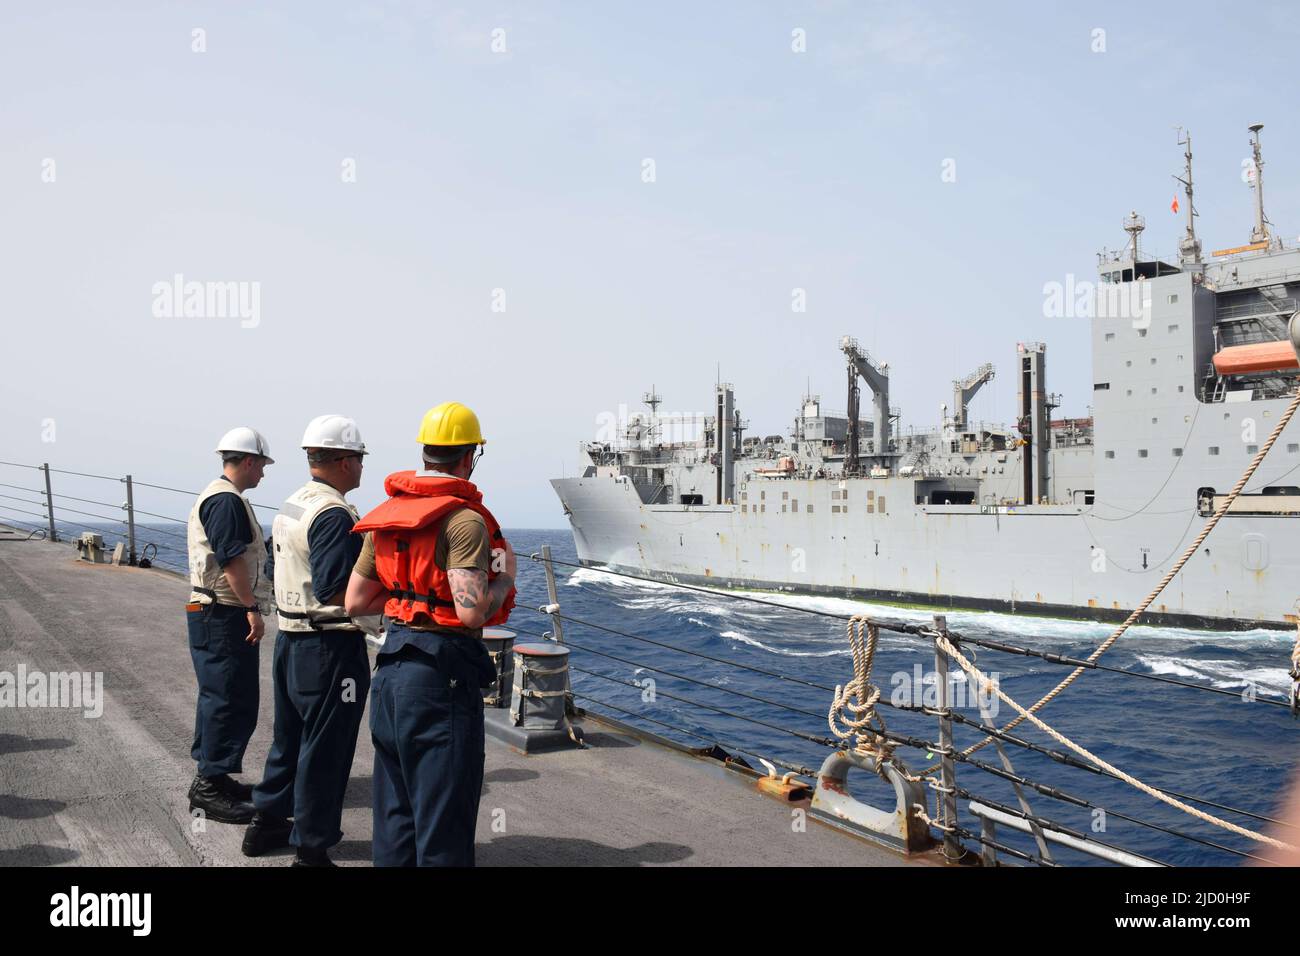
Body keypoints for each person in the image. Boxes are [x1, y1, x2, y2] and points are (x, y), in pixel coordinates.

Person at [345, 401, 516, 867]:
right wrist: (504, 579)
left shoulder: (387, 516)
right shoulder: (464, 521)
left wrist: (411, 601)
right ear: (469, 457)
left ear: (425, 452)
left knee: (395, 819)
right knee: (444, 827)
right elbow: (470, 612)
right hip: (441, 682)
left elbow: (355, 601)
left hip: (390, 675)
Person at [242, 415, 371, 867]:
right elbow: (336, 589)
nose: (362, 466)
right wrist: (387, 596)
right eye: (359, 458)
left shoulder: (294, 504)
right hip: (330, 648)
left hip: (291, 640)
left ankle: (266, 824)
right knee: (326, 751)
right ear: (344, 461)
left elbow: (273, 566)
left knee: (289, 739)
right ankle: (311, 850)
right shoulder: (334, 513)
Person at [185, 426, 274, 824]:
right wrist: (252, 607)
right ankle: (208, 787)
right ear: (249, 461)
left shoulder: (221, 496)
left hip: (214, 610)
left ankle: (215, 777)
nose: (263, 473)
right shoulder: (226, 501)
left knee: (221, 695)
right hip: (222, 612)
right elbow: (231, 560)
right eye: (262, 465)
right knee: (228, 697)